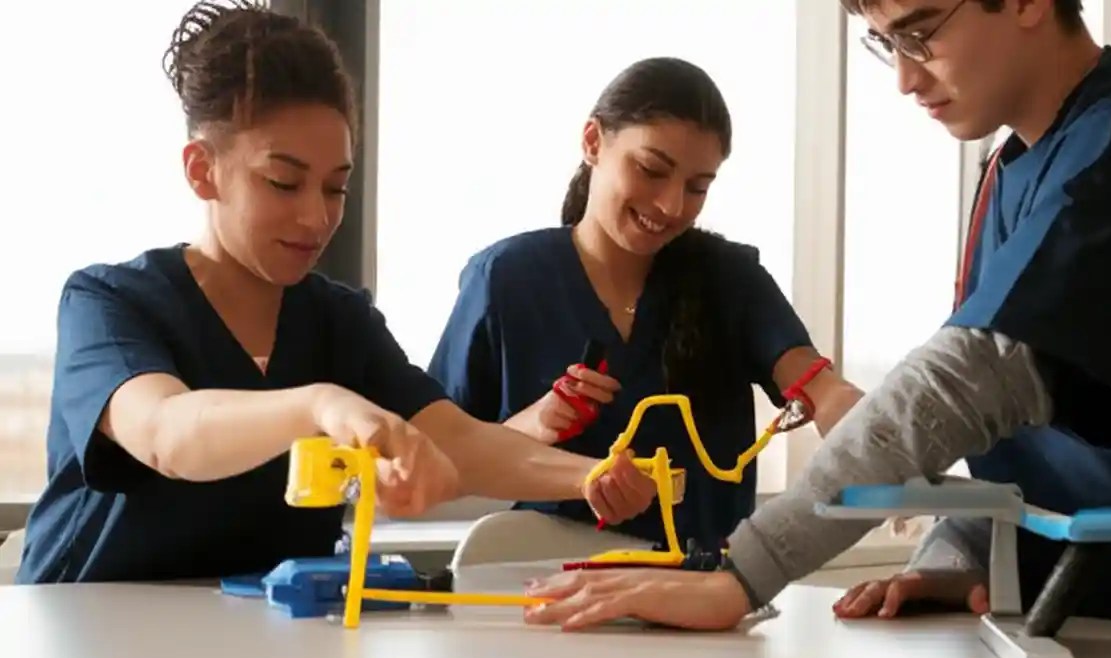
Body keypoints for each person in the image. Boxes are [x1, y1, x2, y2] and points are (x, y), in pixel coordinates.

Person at [524, 0, 1111, 658]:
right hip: (1070, 623)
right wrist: (962, 549)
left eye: (920, 34)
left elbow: (967, 383)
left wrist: (740, 572)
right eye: (885, 44)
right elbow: (1030, 434)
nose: (904, 77)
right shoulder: (1009, 169)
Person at [15, 0, 654, 585]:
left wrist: (591, 476)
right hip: (94, 642)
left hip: (272, 647)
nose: (316, 219)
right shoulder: (110, 302)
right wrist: (322, 406)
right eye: (283, 183)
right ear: (202, 170)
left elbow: (455, 440)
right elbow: (168, 434)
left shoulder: (337, 320)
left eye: (334, 188)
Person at [428, 57, 863, 551]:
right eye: (652, 170)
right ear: (593, 141)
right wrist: (535, 425)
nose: (672, 206)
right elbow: (437, 459)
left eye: (698, 187)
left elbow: (819, 388)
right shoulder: (506, 280)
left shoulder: (730, 280)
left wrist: (879, 449)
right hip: (545, 584)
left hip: (702, 596)